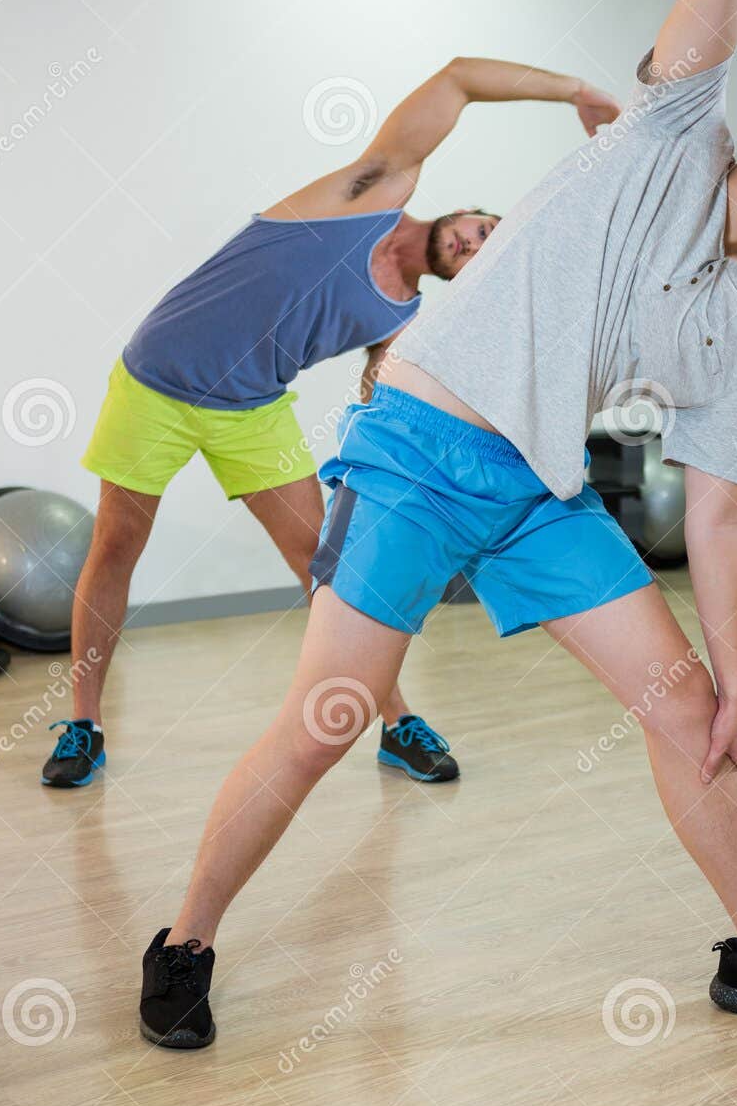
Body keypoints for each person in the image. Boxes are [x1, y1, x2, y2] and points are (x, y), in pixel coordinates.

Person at [137, 0, 737, 1049]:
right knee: (328, 719)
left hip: (537, 489)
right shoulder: (668, 132)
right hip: (417, 447)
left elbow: (713, 511)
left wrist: (734, 675)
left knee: (684, 709)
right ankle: (184, 940)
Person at [41, 56, 620, 789]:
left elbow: (384, 391)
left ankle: (396, 722)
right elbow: (459, 79)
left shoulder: (402, 317)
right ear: (465, 212)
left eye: (483, 254)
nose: (473, 243)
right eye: (482, 227)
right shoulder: (367, 191)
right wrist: (576, 91)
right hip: (153, 380)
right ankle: (83, 726)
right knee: (116, 544)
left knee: (330, 567)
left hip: (252, 410)